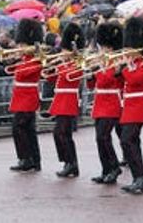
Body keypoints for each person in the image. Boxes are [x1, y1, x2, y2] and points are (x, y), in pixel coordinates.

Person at [118, 16, 143, 195]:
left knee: (127, 139)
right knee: (130, 141)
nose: (126, 50)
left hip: (139, 104)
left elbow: (134, 79)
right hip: (129, 105)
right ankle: (139, 177)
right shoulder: (133, 64)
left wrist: (124, 67)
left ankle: (140, 177)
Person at [89, 21, 125, 184]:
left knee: (103, 137)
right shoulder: (104, 62)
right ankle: (106, 170)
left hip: (111, 102)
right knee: (99, 138)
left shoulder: (117, 62)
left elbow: (105, 80)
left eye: (103, 47)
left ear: (110, 48)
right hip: (100, 102)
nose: (101, 50)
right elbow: (93, 85)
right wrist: (90, 73)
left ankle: (114, 167)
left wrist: (99, 67)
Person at [48, 22, 84, 178]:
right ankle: (68, 162)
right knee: (60, 133)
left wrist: (60, 65)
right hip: (60, 100)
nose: (61, 53)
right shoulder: (63, 63)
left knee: (63, 133)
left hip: (69, 100)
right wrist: (50, 67)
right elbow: (50, 79)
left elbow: (71, 77)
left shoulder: (77, 64)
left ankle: (71, 164)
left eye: (64, 50)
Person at [8, 19, 43, 172]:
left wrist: (18, 60)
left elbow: (24, 73)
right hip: (21, 97)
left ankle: (26, 159)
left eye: (22, 45)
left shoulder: (36, 60)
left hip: (28, 97)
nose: (20, 48)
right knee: (28, 129)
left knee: (19, 128)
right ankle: (33, 160)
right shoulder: (24, 59)